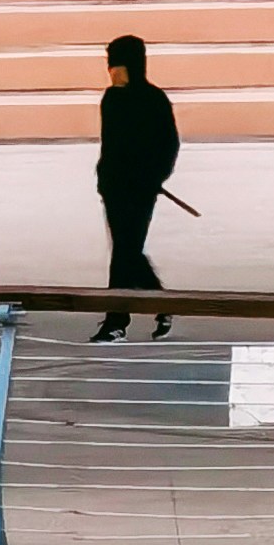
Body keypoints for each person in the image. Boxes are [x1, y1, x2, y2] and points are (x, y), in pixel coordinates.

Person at [93, 31, 178, 340]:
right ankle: (161, 302)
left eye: (116, 65)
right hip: (114, 189)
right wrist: (104, 177)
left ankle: (116, 321)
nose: (112, 72)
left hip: (141, 190)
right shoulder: (111, 99)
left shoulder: (154, 100)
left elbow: (169, 145)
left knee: (124, 253)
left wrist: (154, 178)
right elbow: (110, 145)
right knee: (127, 250)